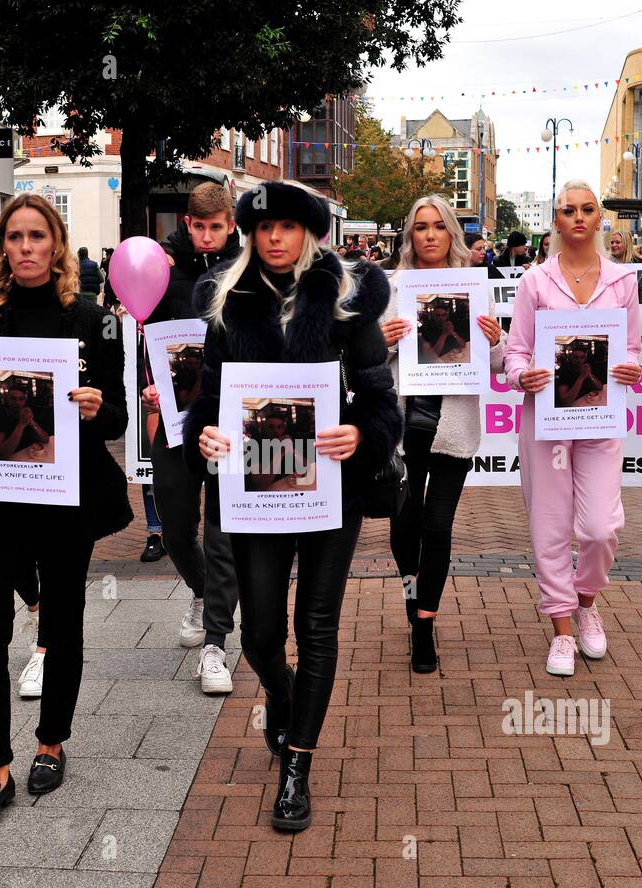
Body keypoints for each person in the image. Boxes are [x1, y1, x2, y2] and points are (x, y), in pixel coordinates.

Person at [188, 180, 402, 832]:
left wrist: (361, 433)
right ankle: (280, 694)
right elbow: (209, 399)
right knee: (258, 634)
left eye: (286, 226)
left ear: (308, 232)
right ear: (249, 233)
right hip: (258, 496)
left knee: (317, 626)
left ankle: (297, 769)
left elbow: (380, 400)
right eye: (263, 227)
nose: (274, 237)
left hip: (333, 491)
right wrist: (205, 435)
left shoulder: (347, 300)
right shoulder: (228, 303)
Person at [0, 193, 132, 823]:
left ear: (56, 245)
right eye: (15, 237)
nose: (25, 247)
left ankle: (51, 743)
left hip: (64, 495)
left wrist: (95, 407)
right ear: (2, 247)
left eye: (37, 236)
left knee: (62, 620)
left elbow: (117, 418)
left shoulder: (91, 320)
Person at [502, 181, 642, 679]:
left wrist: (631, 368)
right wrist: (522, 375)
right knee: (550, 525)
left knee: (602, 527)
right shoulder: (534, 282)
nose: (578, 217)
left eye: (587, 209)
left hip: (599, 417)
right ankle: (562, 627)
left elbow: (631, 349)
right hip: (546, 419)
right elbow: (516, 350)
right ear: (556, 220)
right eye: (569, 210)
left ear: (600, 217)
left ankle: (587, 601)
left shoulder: (623, 281)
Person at [382, 195, 503, 673]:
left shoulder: (474, 286)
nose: (429, 235)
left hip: (454, 427)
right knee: (403, 529)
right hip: (404, 429)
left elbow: (497, 363)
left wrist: (495, 340)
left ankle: (424, 625)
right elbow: (366, 361)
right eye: (420, 227)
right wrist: (384, 342)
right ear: (410, 235)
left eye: (437, 226)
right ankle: (412, 597)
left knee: (437, 526)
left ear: (451, 233)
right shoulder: (392, 288)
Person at [141, 181, 243, 694]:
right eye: (198, 227)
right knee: (175, 527)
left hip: (231, 419)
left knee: (223, 534)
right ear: (187, 223)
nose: (206, 236)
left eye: (215, 227)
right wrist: (149, 386)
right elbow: (147, 337)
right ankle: (201, 593)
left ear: (230, 224)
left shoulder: (246, 270)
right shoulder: (162, 271)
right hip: (177, 418)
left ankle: (215, 644)